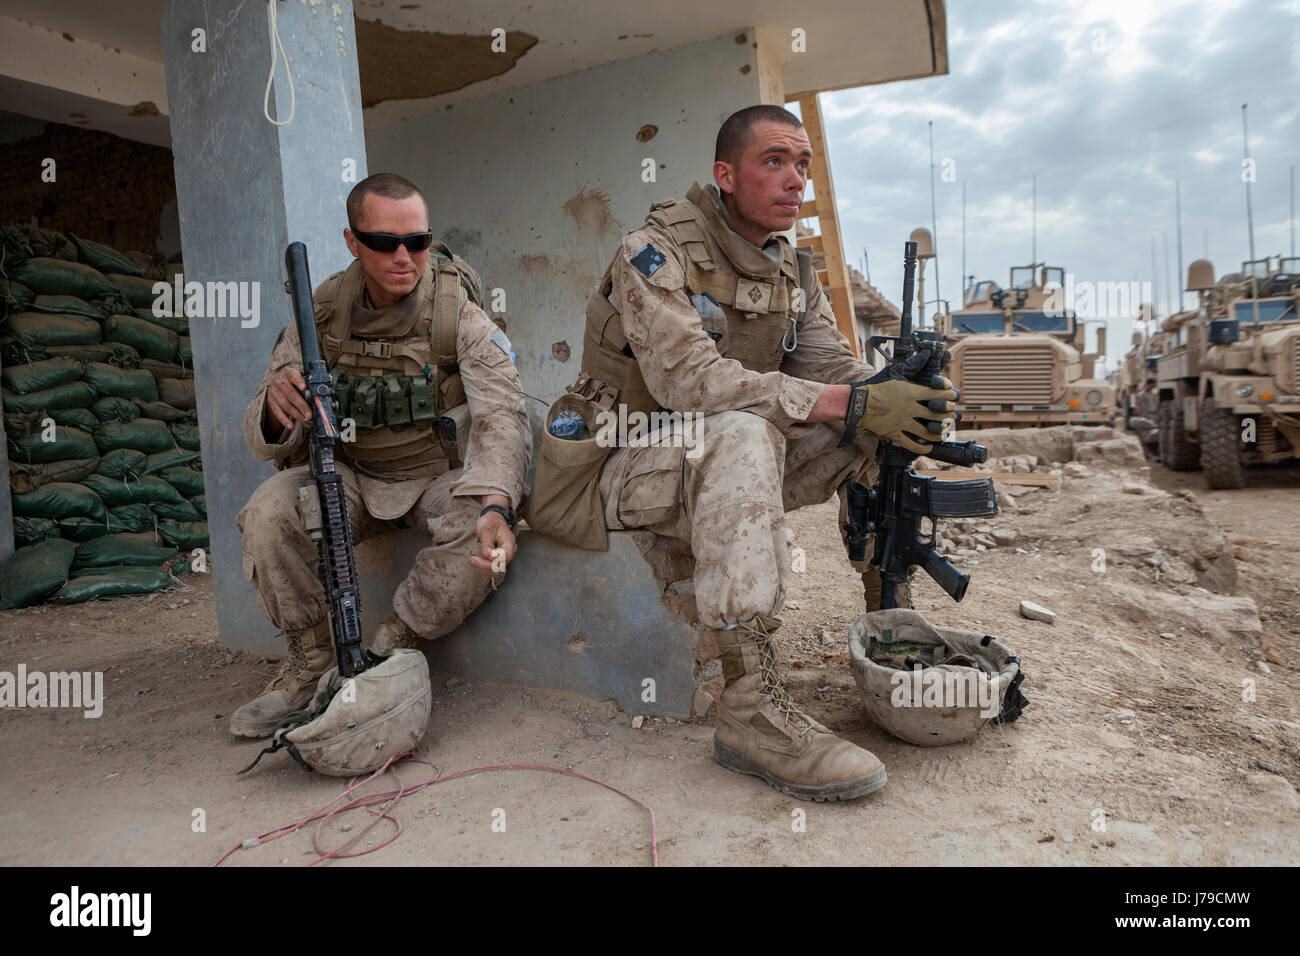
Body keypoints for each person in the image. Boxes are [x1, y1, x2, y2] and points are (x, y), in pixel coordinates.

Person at [530, 106, 957, 800]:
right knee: (740, 427)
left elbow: (833, 375)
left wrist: (896, 394)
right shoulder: (653, 252)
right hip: (620, 468)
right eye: (775, 162)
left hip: (714, 469)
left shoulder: (795, 272)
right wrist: (847, 403)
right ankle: (752, 709)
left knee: (877, 424)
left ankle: (887, 612)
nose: (795, 180)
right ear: (725, 175)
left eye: (803, 165)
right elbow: (689, 384)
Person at [230, 173, 531, 739]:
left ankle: (393, 645)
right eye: (385, 242)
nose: (403, 256)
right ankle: (308, 663)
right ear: (351, 242)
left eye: (416, 242)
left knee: (482, 529)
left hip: (434, 476)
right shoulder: (320, 315)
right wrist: (276, 404)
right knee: (268, 513)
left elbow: (502, 414)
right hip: (347, 474)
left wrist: (497, 505)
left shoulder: (456, 312)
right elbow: (258, 432)